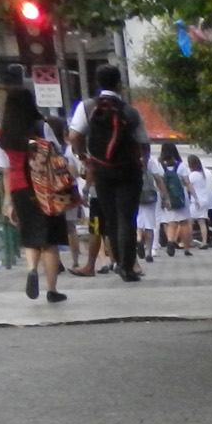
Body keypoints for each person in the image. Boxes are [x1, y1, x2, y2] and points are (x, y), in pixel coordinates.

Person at [68, 63, 150, 283]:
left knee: (111, 218)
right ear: (119, 84)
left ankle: (117, 261)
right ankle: (127, 266)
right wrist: (143, 163)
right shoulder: (131, 111)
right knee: (127, 218)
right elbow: (143, 142)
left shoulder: (86, 107)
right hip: (128, 171)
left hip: (101, 171)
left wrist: (83, 157)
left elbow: (74, 136)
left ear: (97, 83)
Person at [0, 87, 71, 303]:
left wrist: (8, 202)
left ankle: (31, 270)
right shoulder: (41, 127)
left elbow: (5, 169)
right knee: (50, 241)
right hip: (45, 188)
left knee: (30, 237)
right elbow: (58, 155)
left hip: (19, 189)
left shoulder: (1, 135)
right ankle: (52, 290)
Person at [154, 141, 193, 256]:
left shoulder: (159, 165)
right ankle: (186, 249)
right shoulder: (180, 166)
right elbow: (187, 183)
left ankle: (171, 241)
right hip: (181, 198)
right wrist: (195, 196)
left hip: (167, 197)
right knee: (184, 222)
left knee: (171, 222)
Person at [185, 152, 212, 248]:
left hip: (196, 201)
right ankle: (204, 241)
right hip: (204, 200)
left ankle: (189, 241)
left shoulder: (192, 175)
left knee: (189, 221)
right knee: (202, 222)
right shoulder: (202, 174)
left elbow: (188, 187)